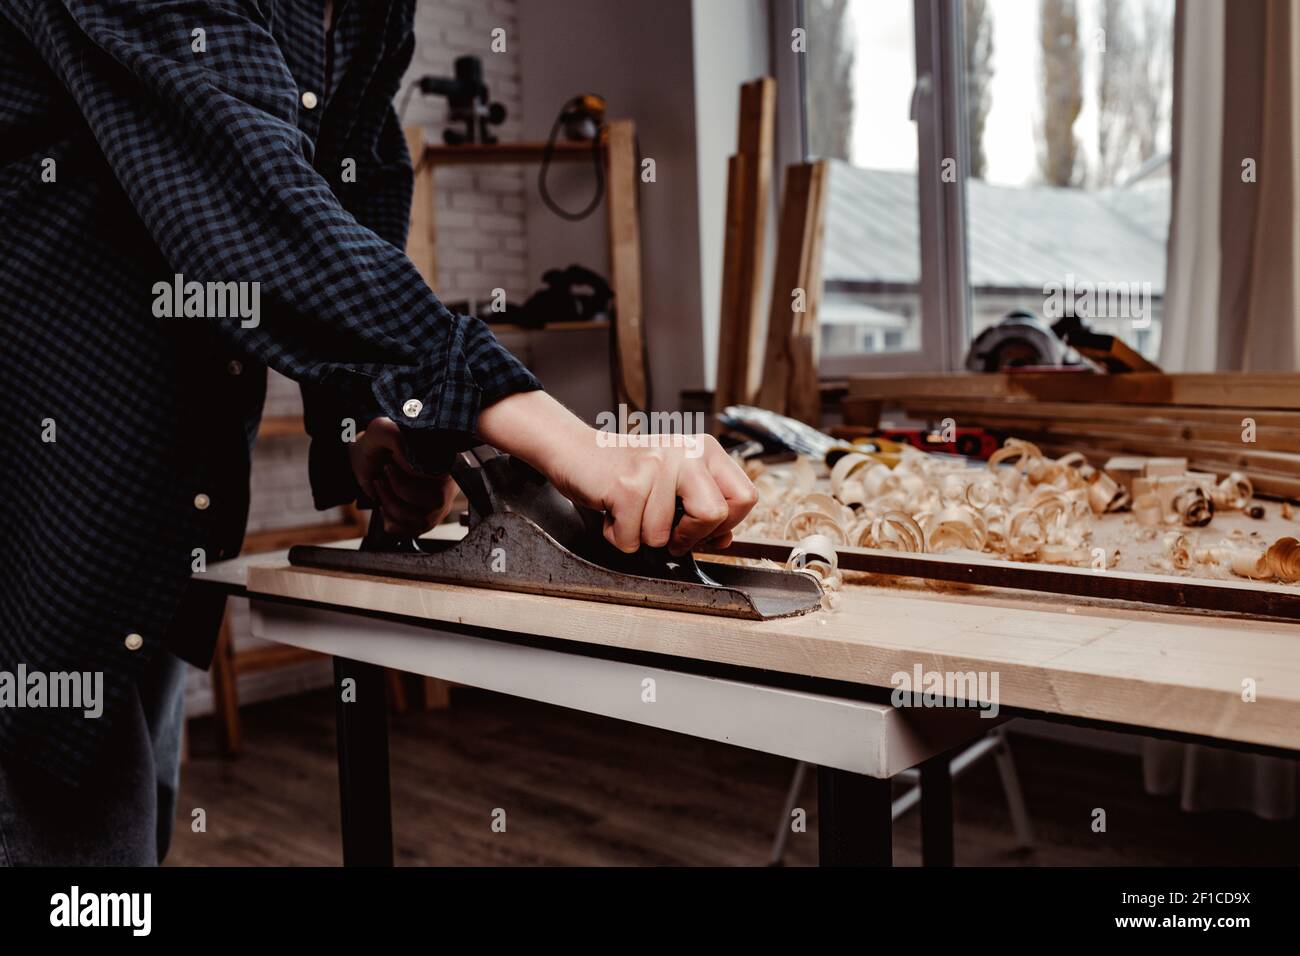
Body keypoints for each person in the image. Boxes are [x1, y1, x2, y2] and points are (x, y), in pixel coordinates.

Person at [0, 0, 756, 865]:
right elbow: (248, 202)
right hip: (42, 512)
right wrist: (568, 440)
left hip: (156, 525)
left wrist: (374, 419)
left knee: (127, 844)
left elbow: (351, 190)